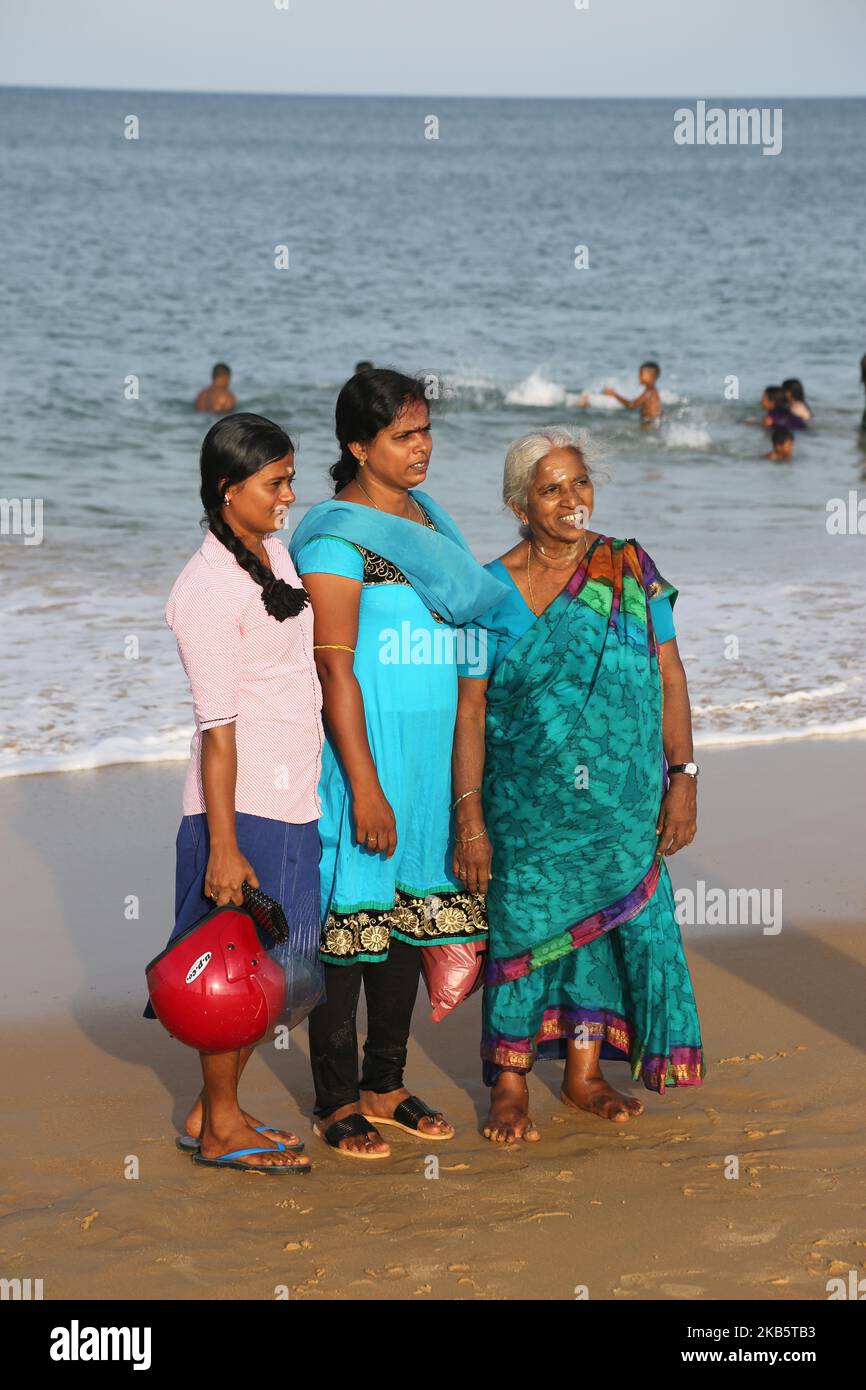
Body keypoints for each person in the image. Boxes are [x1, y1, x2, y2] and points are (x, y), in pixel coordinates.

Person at [452, 427, 704, 1144]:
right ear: (518, 504)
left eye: (580, 482)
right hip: (526, 801)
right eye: (552, 487)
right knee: (525, 926)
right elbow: (470, 708)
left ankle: (585, 1072)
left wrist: (682, 777)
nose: (573, 499)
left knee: (600, 925)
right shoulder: (486, 592)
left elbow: (670, 672)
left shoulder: (627, 567)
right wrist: (469, 817)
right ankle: (508, 1081)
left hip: (620, 799)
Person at [289, 368, 507, 1159]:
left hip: (429, 758)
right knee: (352, 926)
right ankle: (334, 1099)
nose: (423, 448)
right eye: (404, 436)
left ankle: (386, 1081)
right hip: (366, 760)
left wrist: (465, 787)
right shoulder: (337, 536)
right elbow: (333, 670)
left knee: (412, 917)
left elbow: (470, 636)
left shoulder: (431, 523)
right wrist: (366, 786)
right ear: (357, 446)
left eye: (425, 431)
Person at [144, 413, 324, 1174]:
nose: (290, 494)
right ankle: (218, 1127)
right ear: (228, 491)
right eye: (275, 482)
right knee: (236, 975)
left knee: (274, 971)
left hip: (290, 799)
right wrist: (224, 847)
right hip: (243, 810)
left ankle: (211, 1109)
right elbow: (217, 732)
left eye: (290, 477)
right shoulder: (206, 592)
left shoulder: (271, 551)